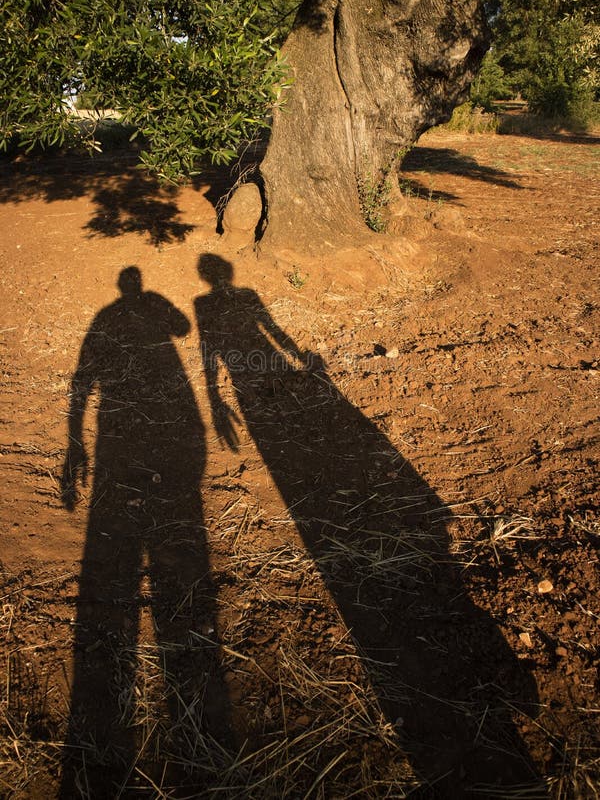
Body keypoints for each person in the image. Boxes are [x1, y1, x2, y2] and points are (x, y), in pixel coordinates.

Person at [195, 253, 544, 796]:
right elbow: (261, 336)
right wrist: (246, 382)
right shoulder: (220, 302)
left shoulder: (219, 302)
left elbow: (257, 336)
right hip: (255, 382)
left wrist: (232, 388)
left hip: (254, 381)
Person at [61, 267, 225, 797]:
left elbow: (85, 377)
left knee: (121, 539)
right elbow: (181, 328)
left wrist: (73, 443)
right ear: (134, 286)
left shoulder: (106, 317)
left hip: (117, 427)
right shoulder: (142, 308)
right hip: (156, 420)